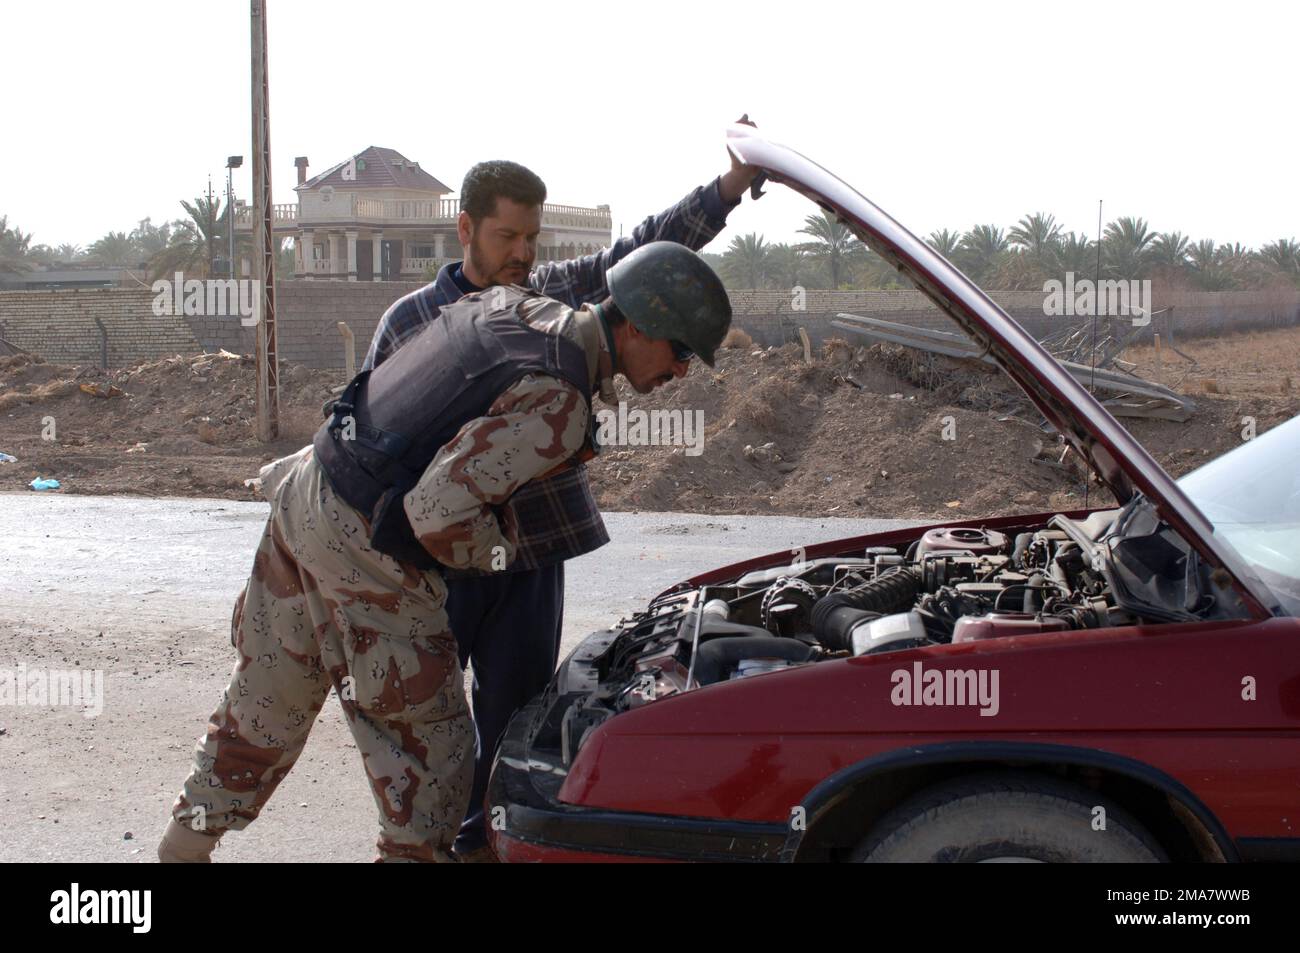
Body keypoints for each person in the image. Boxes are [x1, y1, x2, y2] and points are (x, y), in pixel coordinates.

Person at [157, 242, 732, 862]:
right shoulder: (558, 399)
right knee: (435, 762)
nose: (680, 373)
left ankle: (181, 849)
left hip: (310, 488)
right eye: (679, 352)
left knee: (267, 699)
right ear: (639, 323)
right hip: (367, 545)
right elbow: (433, 515)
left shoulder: (515, 306)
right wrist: (498, 555)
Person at [363, 129, 760, 859]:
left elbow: (645, 254)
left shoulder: (550, 298)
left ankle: (486, 844)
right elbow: (372, 446)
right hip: (437, 566)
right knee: (429, 725)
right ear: (465, 229)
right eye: (506, 235)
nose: (521, 253)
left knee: (517, 723)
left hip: (526, 560)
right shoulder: (409, 323)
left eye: (531, 238)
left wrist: (727, 190)